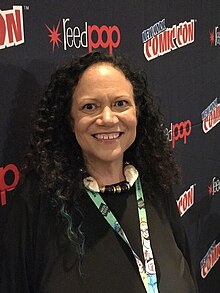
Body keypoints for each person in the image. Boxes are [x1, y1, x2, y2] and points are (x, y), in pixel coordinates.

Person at [0, 51, 198, 292]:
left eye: (120, 104)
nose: (107, 118)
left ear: (137, 113)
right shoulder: (38, 200)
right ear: (71, 120)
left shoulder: (155, 187)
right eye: (90, 106)